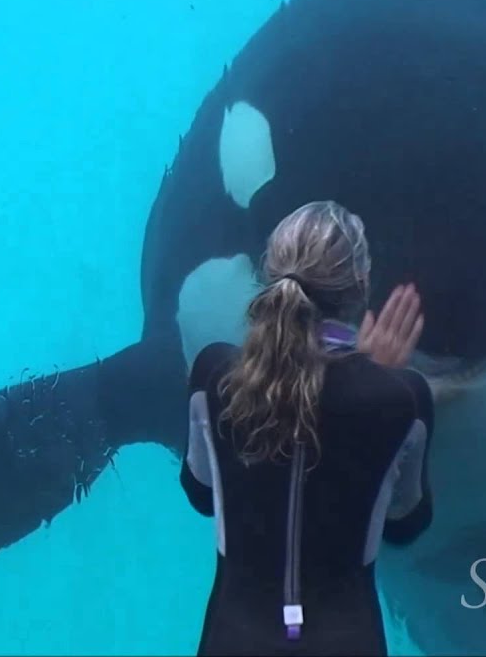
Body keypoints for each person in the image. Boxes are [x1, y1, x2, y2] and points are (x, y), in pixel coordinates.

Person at [179, 200, 434, 656]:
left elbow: (200, 493)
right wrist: (378, 374)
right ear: (361, 285)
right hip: (346, 641)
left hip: (234, 638)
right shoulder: (402, 400)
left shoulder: (214, 374)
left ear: (269, 274)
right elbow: (405, 523)